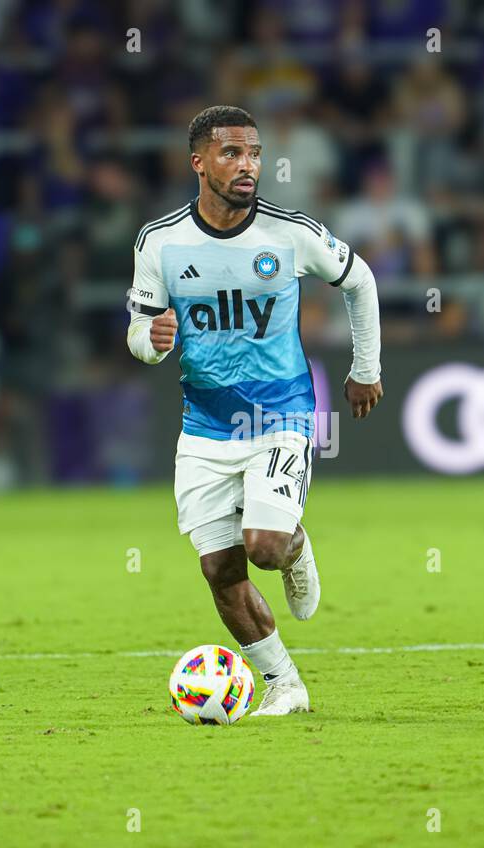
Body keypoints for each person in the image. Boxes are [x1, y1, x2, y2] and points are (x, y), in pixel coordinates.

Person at [125, 106, 383, 716]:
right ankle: (284, 684)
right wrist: (151, 343)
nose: (248, 166)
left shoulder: (288, 232)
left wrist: (365, 368)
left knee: (263, 546)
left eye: (254, 154)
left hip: (281, 415)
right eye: (231, 154)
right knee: (220, 570)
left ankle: (293, 547)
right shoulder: (160, 242)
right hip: (204, 426)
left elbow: (360, 280)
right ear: (198, 163)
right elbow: (139, 332)